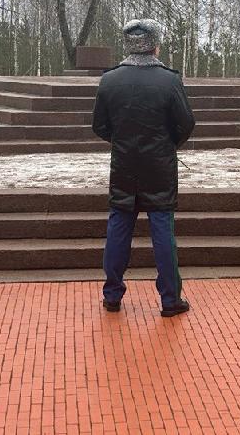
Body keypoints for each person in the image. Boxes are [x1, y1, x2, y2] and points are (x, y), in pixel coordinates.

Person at [92, 19, 195, 317]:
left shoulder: (110, 80)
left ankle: (112, 294)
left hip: (124, 164)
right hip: (159, 166)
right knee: (163, 230)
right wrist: (166, 144)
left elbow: (99, 125)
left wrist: (122, 141)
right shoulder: (169, 80)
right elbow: (186, 123)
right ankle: (170, 299)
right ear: (155, 45)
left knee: (118, 227)